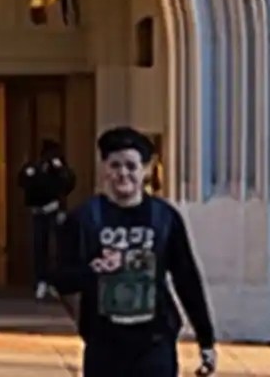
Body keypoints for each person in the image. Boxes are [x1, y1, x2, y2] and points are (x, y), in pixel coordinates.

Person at [52, 127, 218, 377]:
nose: (123, 174)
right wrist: (93, 271)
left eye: (131, 166)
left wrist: (205, 339)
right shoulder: (84, 218)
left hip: (155, 341)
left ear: (145, 170)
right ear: (104, 168)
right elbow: (62, 278)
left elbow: (186, 278)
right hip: (104, 343)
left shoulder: (165, 218)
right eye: (115, 166)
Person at [18, 139, 76, 299]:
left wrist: (60, 170)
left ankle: (54, 281)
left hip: (53, 209)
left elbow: (69, 182)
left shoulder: (58, 168)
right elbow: (22, 181)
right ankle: (42, 280)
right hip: (38, 210)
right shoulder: (33, 168)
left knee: (55, 247)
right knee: (40, 246)